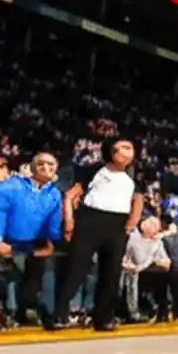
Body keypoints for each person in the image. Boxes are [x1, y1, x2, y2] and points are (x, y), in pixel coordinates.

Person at [48, 138, 143, 332]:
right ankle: (59, 315)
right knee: (76, 270)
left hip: (117, 225)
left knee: (111, 274)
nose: (128, 152)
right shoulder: (95, 170)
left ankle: (104, 317)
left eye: (130, 148)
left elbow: (138, 201)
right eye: (123, 148)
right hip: (90, 220)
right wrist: (69, 221)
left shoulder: (134, 176)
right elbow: (70, 196)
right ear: (112, 151)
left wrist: (130, 225)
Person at [0, 152, 62, 326]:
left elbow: (53, 222)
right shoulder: (11, 187)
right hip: (9, 239)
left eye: (50, 164)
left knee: (45, 268)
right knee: (14, 271)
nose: (45, 168)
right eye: (41, 164)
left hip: (34, 242)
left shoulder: (54, 194)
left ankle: (45, 311)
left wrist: (51, 242)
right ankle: (12, 312)